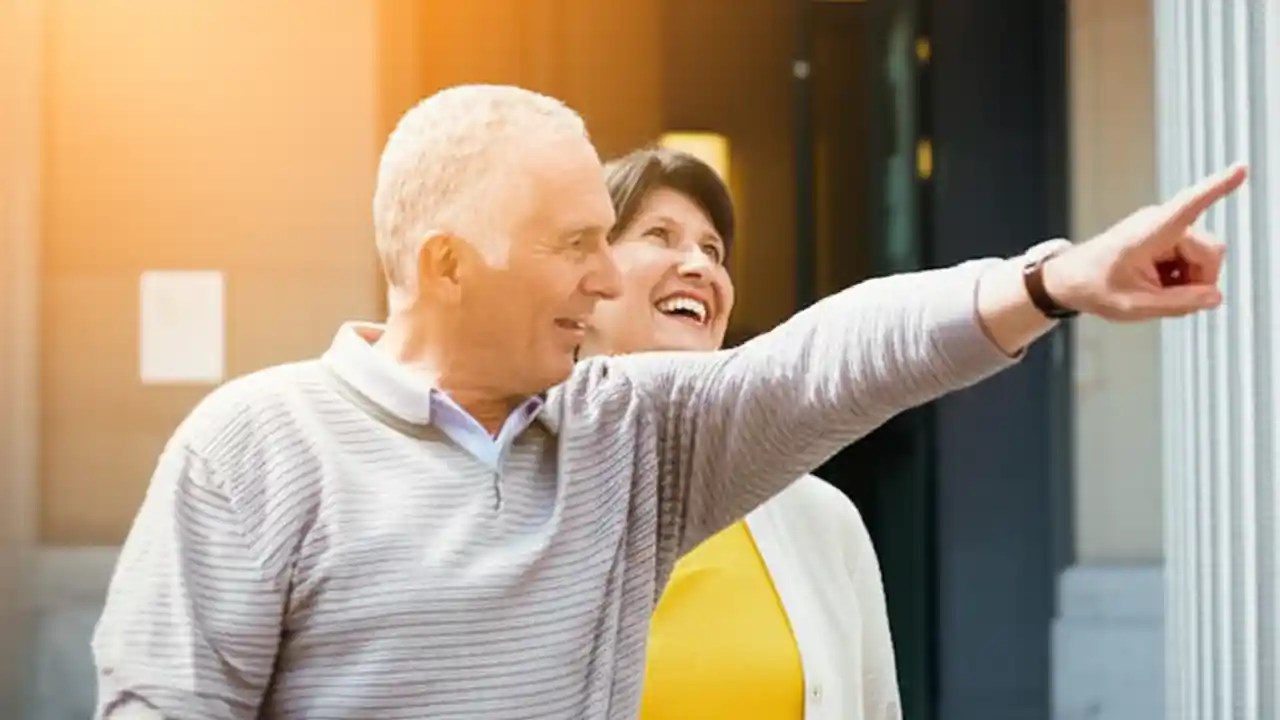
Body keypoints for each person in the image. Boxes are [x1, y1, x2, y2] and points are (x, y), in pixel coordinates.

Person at [91, 83, 1243, 720]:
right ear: (445, 266)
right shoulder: (253, 446)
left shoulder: (625, 435)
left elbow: (822, 360)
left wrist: (1049, 282)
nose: (605, 282)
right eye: (575, 247)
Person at [581, 147, 900, 720]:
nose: (699, 266)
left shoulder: (821, 521)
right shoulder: (513, 496)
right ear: (587, 277)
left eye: (713, 251)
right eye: (660, 234)